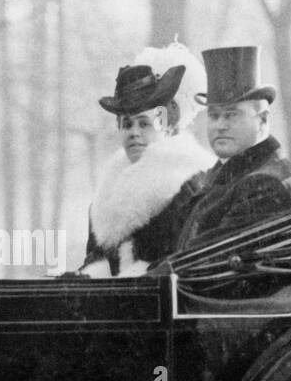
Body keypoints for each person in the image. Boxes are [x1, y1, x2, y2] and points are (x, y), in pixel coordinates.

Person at [75, 43, 215, 277]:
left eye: (144, 123)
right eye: (127, 124)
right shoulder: (105, 198)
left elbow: (184, 264)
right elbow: (96, 257)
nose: (134, 133)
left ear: (167, 126)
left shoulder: (188, 186)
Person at [177, 46, 291, 248]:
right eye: (213, 115)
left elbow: (203, 263)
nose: (220, 125)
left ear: (263, 120)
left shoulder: (264, 184)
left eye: (232, 114)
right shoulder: (234, 173)